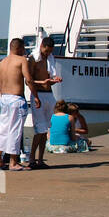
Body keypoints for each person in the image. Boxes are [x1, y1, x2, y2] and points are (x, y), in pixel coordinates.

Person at [0, 38, 39, 171]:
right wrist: (35, 96)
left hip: (5, 98)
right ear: (20, 48)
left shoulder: (2, 62)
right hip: (16, 98)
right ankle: (13, 162)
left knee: (3, 129)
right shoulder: (21, 60)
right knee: (15, 131)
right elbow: (29, 79)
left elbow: (1, 83)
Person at [28, 36, 63, 168]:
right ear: (41, 46)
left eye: (49, 52)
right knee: (39, 129)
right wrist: (39, 88)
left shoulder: (50, 59)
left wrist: (54, 80)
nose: (47, 54)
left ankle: (40, 159)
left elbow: (49, 77)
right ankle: (32, 158)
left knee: (46, 129)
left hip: (49, 94)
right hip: (38, 93)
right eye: (46, 51)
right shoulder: (33, 59)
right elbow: (28, 80)